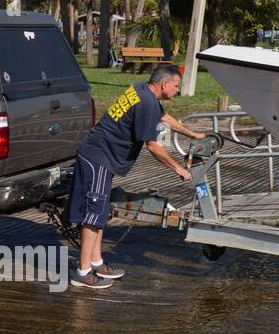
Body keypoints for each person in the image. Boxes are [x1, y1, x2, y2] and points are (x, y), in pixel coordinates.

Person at [67, 64, 206, 289]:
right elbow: (152, 146)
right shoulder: (146, 101)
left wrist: (192, 133)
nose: (177, 90)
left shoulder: (142, 90)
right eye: (176, 86)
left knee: (101, 211)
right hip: (98, 157)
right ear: (164, 84)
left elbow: (164, 116)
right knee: (93, 213)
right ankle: (82, 273)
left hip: (103, 157)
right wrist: (178, 168)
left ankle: (96, 262)